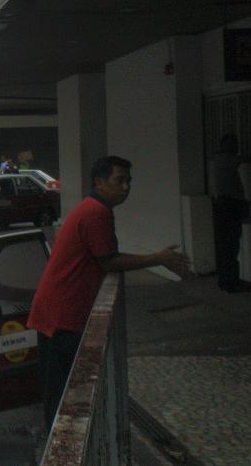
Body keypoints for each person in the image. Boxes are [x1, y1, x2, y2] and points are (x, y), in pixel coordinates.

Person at [28, 156, 189, 431]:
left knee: (61, 395)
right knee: (64, 399)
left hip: (56, 315)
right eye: (119, 180)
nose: (125, 187)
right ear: (99, 183)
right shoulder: (96, 212)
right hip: (61, 319)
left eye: (128, 182)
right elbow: (109, 260)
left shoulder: (92, 208)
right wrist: (158, 258)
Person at [208, 134, 250, 293]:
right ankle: (230, 283)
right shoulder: (225, 159)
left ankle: (228, 281)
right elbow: (244, 159)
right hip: (229, 207)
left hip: (225, 206)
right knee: (230, 247)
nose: (236, 147)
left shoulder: (219, 159)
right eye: (233, 144)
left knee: (228, 246)